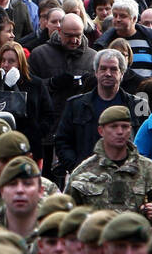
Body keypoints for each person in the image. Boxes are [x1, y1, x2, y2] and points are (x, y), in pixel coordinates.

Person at [64, 107, 152, 220]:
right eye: (113, 127)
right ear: (101, 131)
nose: (120, 132)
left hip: (136, 230)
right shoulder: (83, 172)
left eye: (125, 126)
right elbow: (67, 215)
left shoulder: (147, 169)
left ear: (130, 129)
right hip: (98, 231)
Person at [53, 49, 144, 179]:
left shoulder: (138, 105)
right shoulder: (76, 105)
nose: (108, 73)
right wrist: (77, 167)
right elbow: (62, 141)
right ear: (96, 72)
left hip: (127, 177)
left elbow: (145, 142)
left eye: (113, 69)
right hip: (85, 178)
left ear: (122, 73)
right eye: (103, 69)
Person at [0, 42, 52, 156]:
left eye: (11, 61)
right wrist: (6, 86)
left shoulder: (36, 84)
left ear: (20, 63)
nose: (6, 65)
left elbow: (48, 114)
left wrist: (37, 133)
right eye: (3, 60)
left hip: (29, 145)